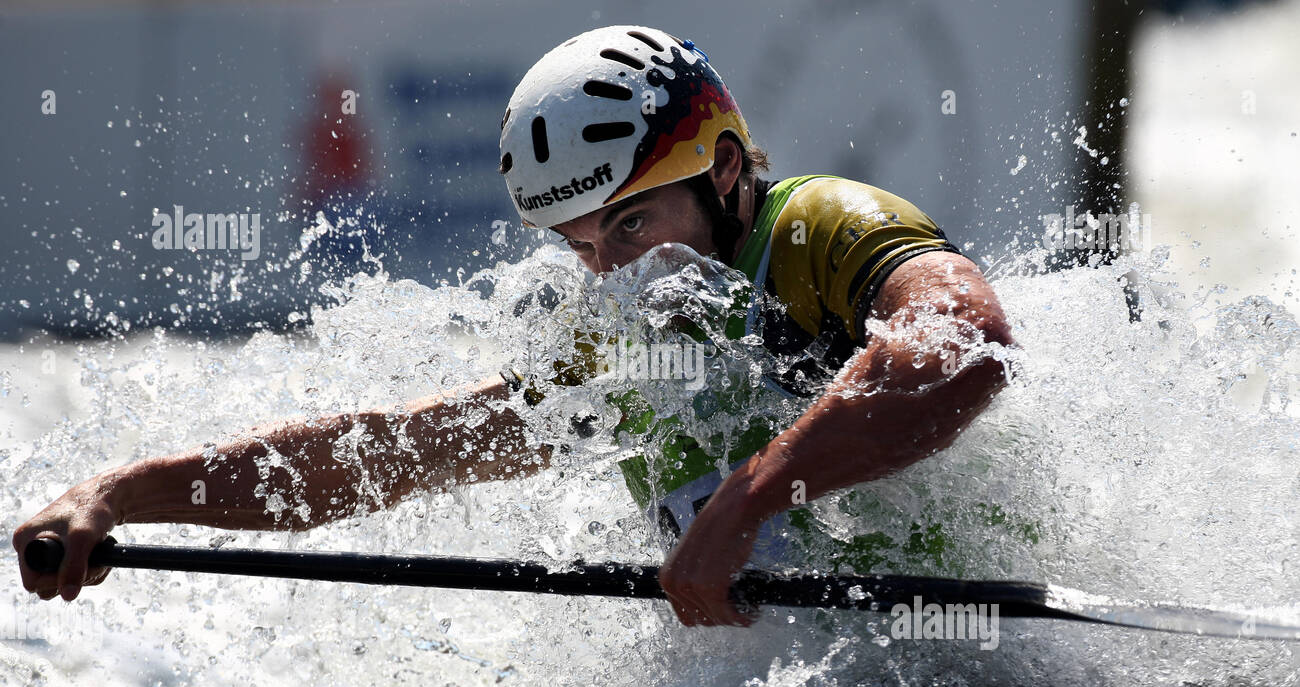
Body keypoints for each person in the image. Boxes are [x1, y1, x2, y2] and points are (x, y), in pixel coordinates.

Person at [12, 25, 1014, 629]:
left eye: (630, 223)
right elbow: (391, 456)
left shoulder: (818, 226)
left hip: (965, 660)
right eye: (580, 243)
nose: (611, 270)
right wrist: (119, 493)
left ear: (719, 169)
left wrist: (746, 502)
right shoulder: (615, 327)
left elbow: (969, 343)